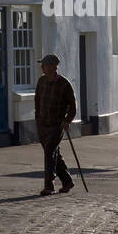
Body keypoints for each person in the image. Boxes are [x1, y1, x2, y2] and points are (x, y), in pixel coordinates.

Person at [34, 54, 77, 195]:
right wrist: (38, 119)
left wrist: (67, 120)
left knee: (49, 152)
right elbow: (37, 101)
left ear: (53, 67)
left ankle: (49, 186)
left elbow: (73, 106)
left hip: (56, 125)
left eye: (44, 65)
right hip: (43, 124)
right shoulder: (41, 81)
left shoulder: (64, 84)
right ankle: (67, 181)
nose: (42, 67)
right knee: (54, 154)